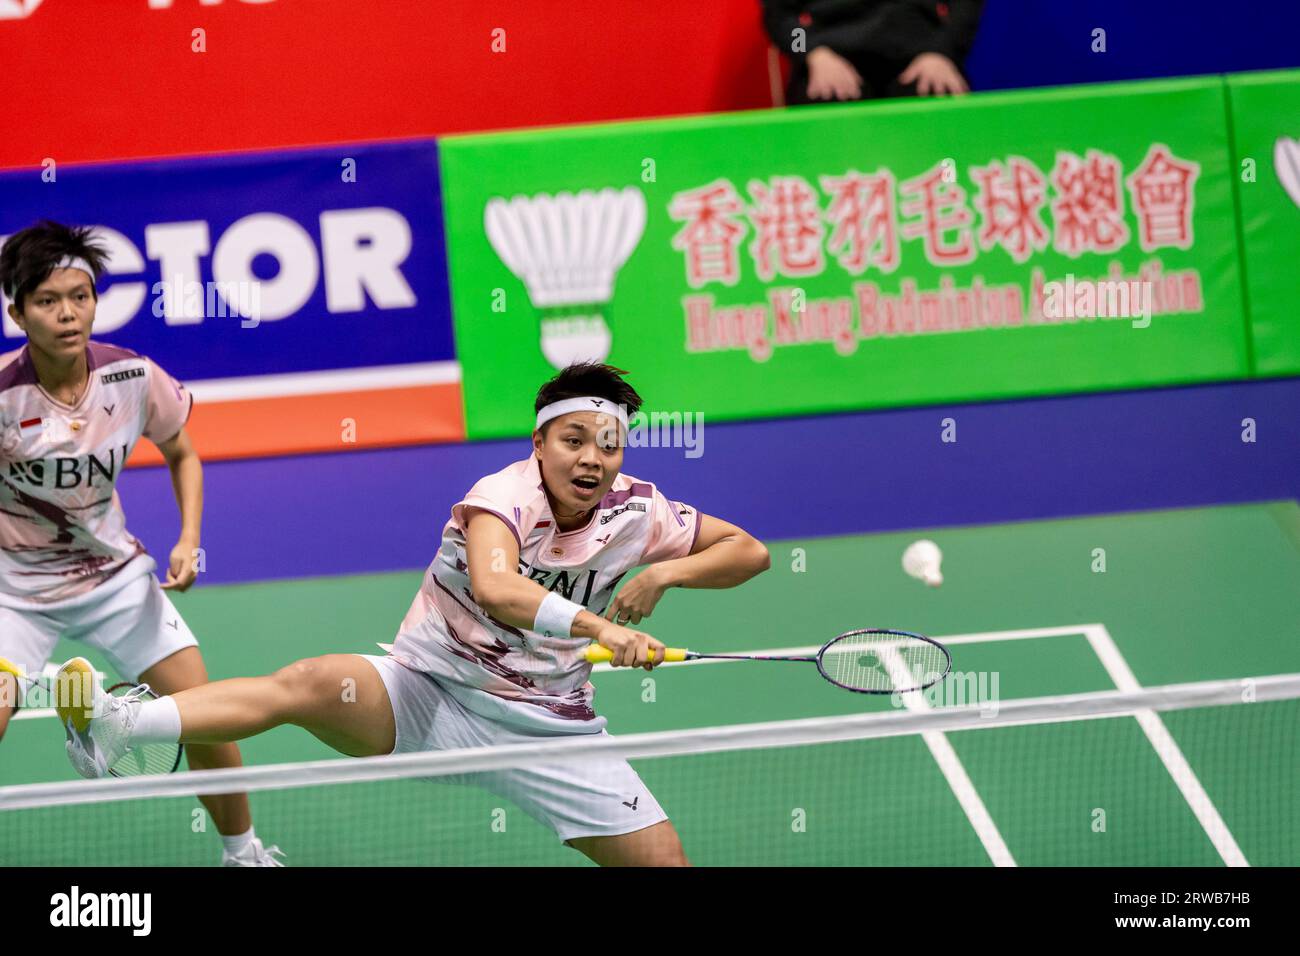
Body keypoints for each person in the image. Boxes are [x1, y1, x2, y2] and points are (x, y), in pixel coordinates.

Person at [54, 362, 772, 866]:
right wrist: (603, 628)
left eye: (607, 444)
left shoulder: (640, 511)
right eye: (573, 441)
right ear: (540, 444)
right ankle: (120, 726)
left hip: (552, 726)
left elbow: (750, 553)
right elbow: (496, 588)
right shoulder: (502, 496)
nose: (591, 459)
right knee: (308, 682)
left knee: (663, 864)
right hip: (432, 691)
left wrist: (668, 572)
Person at [0, 220, 282, 867]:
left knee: (206, 713)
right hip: (14, 589)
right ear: (17, 312)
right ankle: (82, 713)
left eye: (80, 296)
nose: (68, 313)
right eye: (47, 301)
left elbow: (182, 451)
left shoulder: (130, 376)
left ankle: (244, 854)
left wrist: (188, 539)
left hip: (115, 579)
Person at [762, 0, 984, 104]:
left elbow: (965, 8)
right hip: (833, 62)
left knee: (941, 99)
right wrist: (812, 53)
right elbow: (781, 19)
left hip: (922, 59)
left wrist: (942, 52)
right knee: (823, 101)